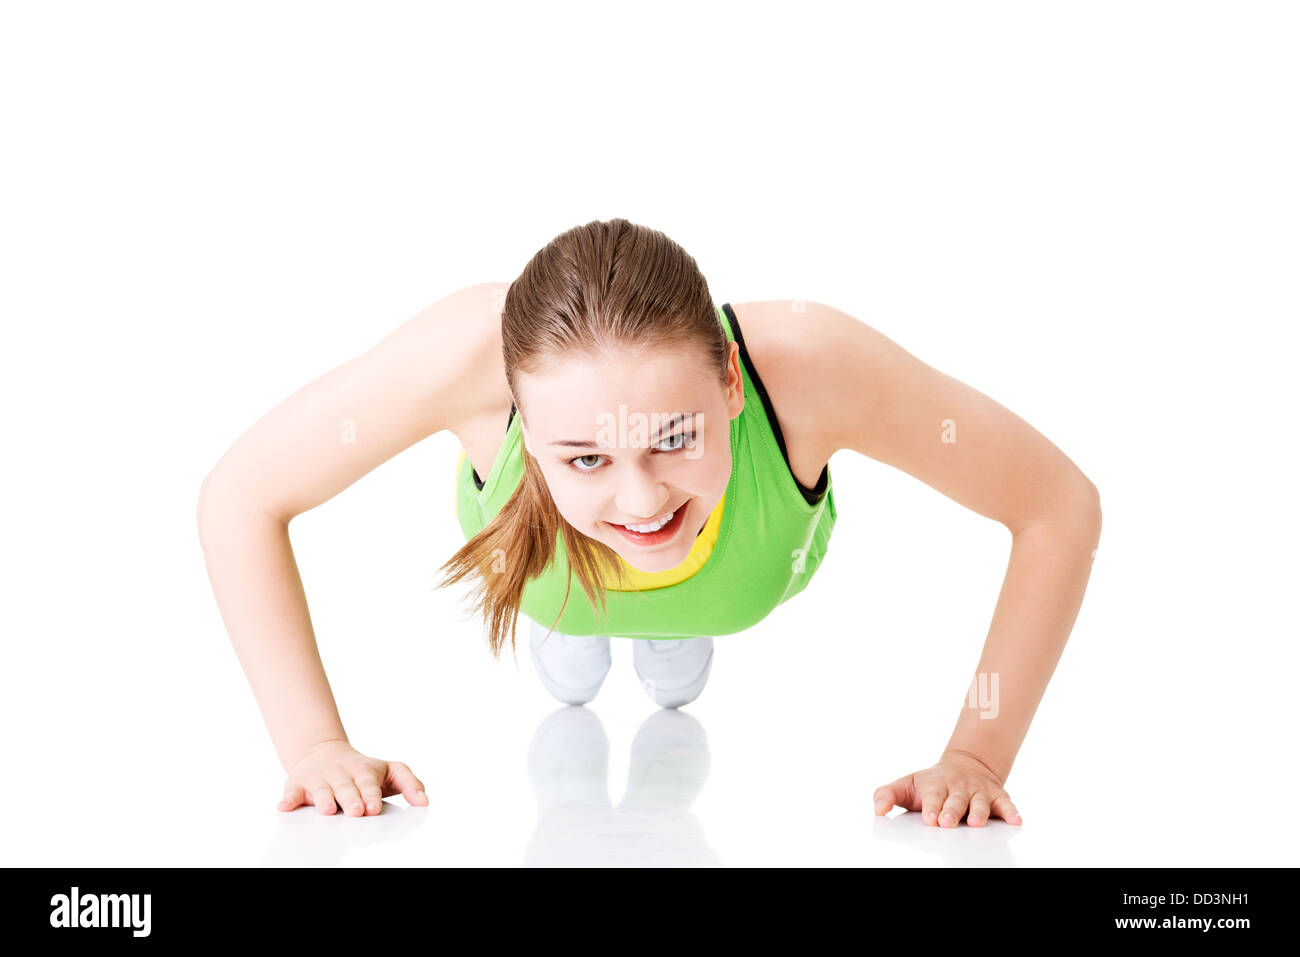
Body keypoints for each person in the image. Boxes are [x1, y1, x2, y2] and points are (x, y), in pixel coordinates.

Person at [198, 217, 1101, 829]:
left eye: (675, 438)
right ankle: (587, 638)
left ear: (732, 385)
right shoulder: (466, 353)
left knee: (676, 662)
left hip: (736, 587)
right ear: (516, 408)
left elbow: (1057, 506)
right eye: (585, 456)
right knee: (572, 640)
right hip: (557, 585)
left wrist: (978, 755)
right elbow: (240, 496)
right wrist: (314, 744)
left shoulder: (808, 362)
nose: (640, 503)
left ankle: (673, 645)